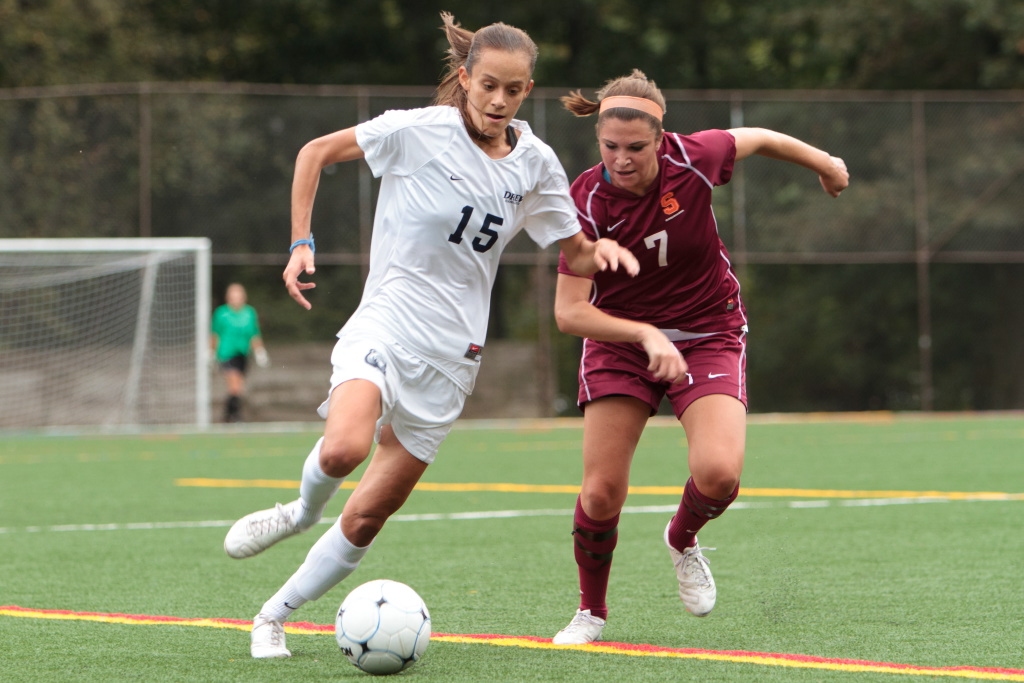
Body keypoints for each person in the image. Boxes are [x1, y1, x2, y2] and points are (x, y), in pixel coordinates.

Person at [222, 13, 639, 659]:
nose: (499, 101)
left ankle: (271, 615)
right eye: (489, 85)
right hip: (387, 324)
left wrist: (602, 252)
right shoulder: (417, 131)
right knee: (343, 450)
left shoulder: (536, 163)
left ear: (528, 90)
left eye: (515, 90)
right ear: (466, 78)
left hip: (452, 361)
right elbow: (315, 153)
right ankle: (299, 511)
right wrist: (302, 242)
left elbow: (573, 250)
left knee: (365, 516)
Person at [550, 70, 849, 645]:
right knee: (601, 492)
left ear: (661, 140)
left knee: (719, 474)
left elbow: (759, 137)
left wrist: (826, 164)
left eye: (636, 148)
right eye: (610, 147)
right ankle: (591, 612)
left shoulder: (695, 158)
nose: (622, 159)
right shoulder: (584, 200)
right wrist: (644, 335)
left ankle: (682, 538)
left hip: (709, 331)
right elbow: (569, 313)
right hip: (621, 344)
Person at [210, 283, 269, 423]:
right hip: (226, 353)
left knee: (239, 388)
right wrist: (211, 352)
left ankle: (227, 416)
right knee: (235, 386)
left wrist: (260, 351)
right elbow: (215, 334)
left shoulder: (249, 313)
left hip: (242, 353)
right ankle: (235, 416)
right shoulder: (221, 313)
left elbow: (254, 334)